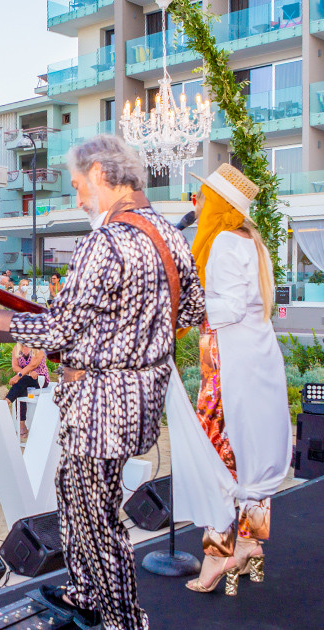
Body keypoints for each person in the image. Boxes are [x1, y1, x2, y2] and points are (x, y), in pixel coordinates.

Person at [0, 135, 204, 630]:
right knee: (72, 490)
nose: (77, 198)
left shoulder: (105, 242)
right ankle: (84, 591)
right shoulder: (170, 235)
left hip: (101, 405)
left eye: (77, 186)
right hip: (142, 397)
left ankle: (124, 620)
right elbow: (192, 309)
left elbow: (58, 329)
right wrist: (133, 334)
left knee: (97, 518)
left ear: (99, 174)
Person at [183, 164, 291, 595]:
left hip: (229, 370)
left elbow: (228, 307)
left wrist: (189, 301)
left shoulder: (226, 241)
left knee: (218, 458)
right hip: (253, 362)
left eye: (204, 197)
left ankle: (217, 555)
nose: (199, 205)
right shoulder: (253, 241)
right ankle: (250, 546)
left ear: (220, 204)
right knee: (253, 455)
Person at [5, 343, 49, 440]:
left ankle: (6, 402)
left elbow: (33, 364)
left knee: (22, 381)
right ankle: (22, 426)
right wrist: (27, 373)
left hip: (40, 379)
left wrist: (18, 376)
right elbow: (14, 367)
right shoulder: (16, 348)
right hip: (26, 378)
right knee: (22, 386)